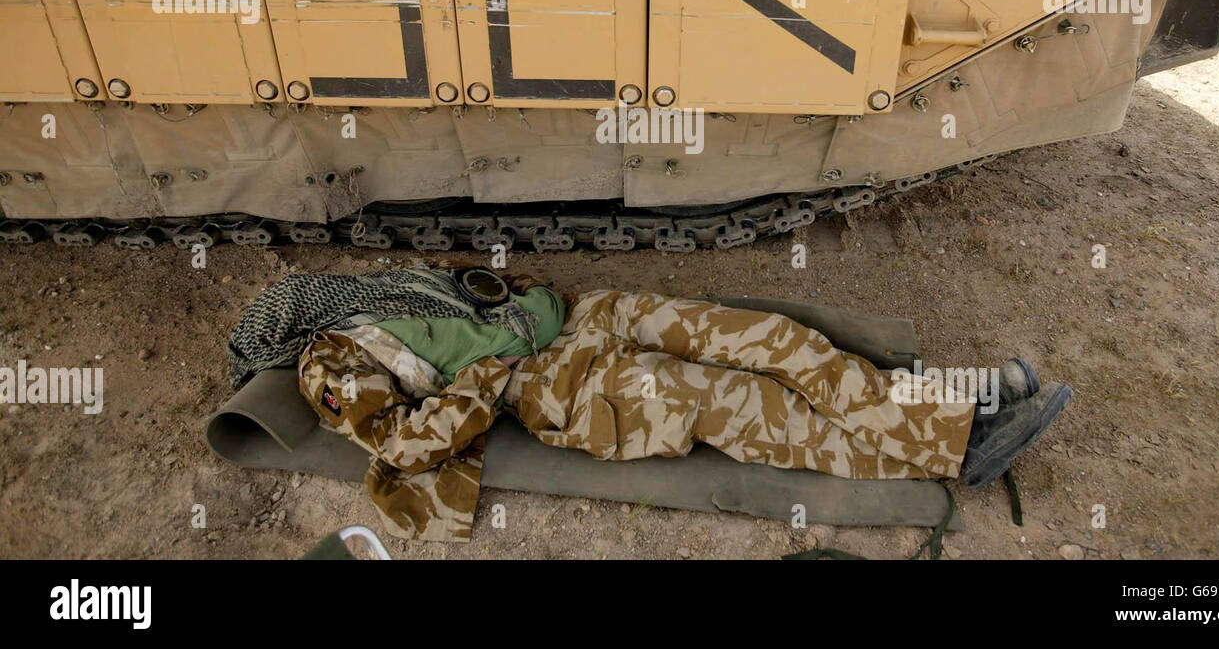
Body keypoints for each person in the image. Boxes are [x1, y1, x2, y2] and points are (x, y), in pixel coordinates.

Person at [251, 266, 1071, 541]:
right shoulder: (331, 364)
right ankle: (962, 444)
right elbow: (403, 448)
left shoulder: (370, 294)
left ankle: (952, 409)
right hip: (560, 390)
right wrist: (490, 374)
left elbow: (473, 302)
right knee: (758, 411)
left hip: (589, 317)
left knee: (777, 340)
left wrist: (523, 308)